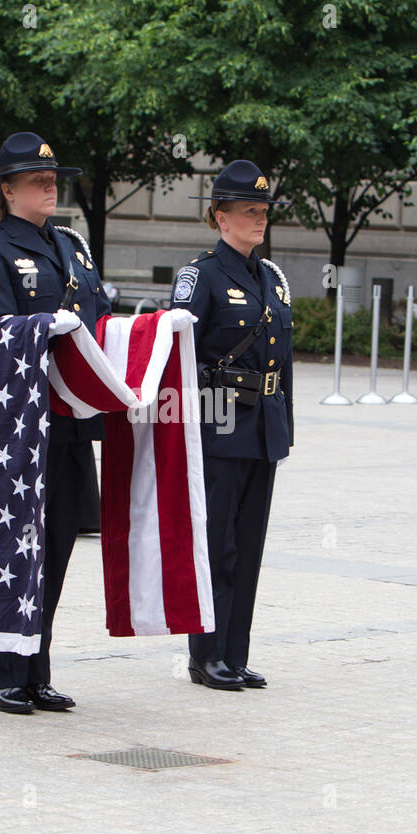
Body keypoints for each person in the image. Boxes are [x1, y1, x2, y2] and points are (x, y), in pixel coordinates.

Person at [0, 131, 110, 714]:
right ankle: (0, 670)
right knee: (11, 543)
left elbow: (96, 318)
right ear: (7, 189)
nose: (50, 186)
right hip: (14, 424)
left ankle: (36, 666)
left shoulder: (71, 245)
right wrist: (52, 324)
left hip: (69, 417)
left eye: (52, 179)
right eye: (36, 180)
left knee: (58, 544)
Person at [169, 160, 293, 690]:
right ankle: (206, 654)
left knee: (249, 545)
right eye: (249, 211)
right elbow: (177, 351)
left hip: (262, 427)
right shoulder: (200, 276)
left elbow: (284, 362)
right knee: (217, 544)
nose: (259, 220)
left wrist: (284, 427)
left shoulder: (271, 278)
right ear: (220, 217)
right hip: (219, 428)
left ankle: (235, 653)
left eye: (264, 211)